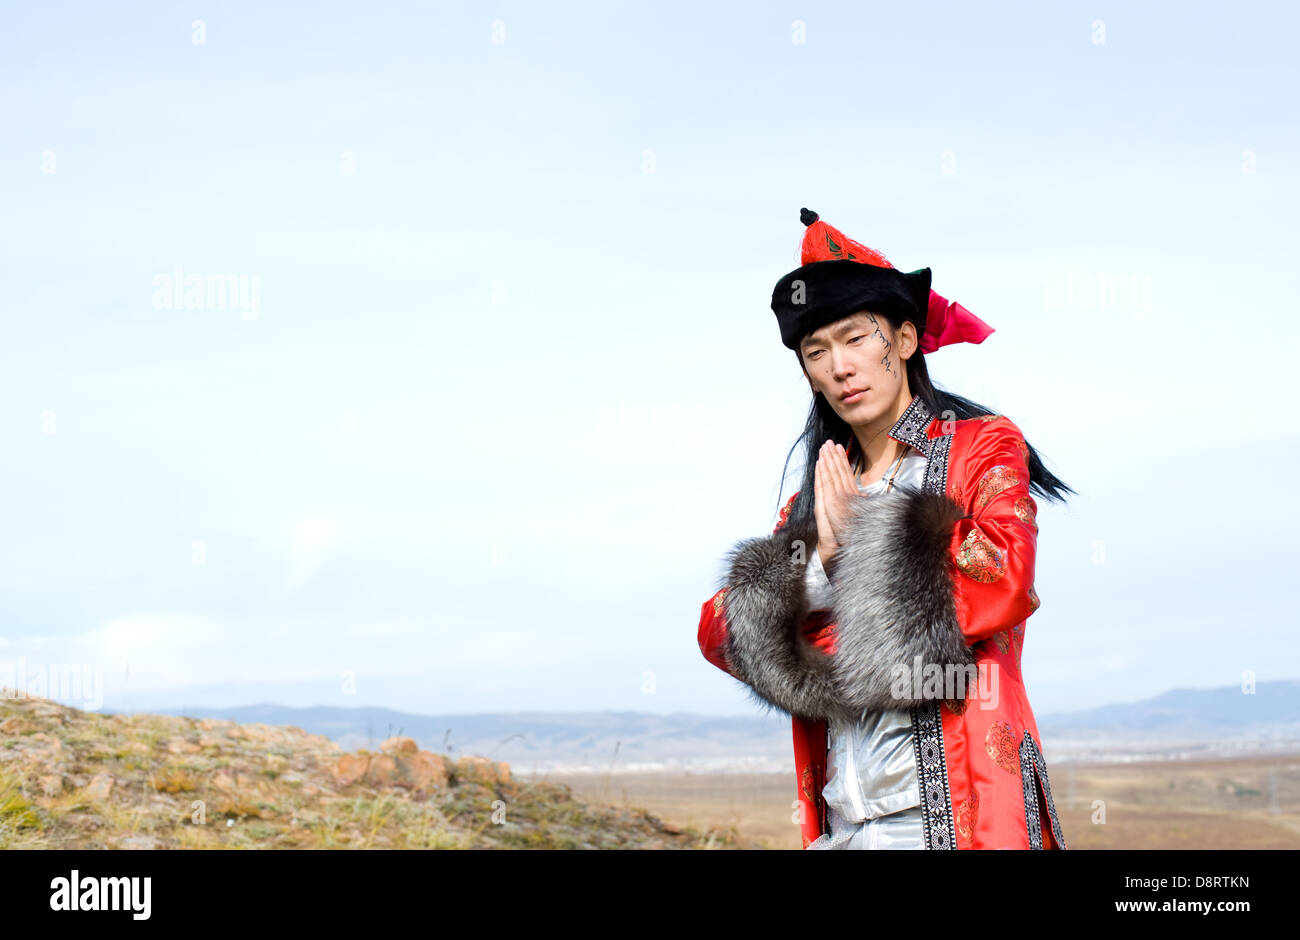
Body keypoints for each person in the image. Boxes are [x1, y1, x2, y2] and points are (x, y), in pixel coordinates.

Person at [697, 208, 1075, 849]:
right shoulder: (815, 501)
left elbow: (1002, 584)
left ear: (903, 340)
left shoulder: (980, 449)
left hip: (956, 815)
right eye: (817, 352)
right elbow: (723, 635)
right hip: (842, 821)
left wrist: (861, 543)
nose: (840, 366)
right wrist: (823, 554)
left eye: (855, 338)